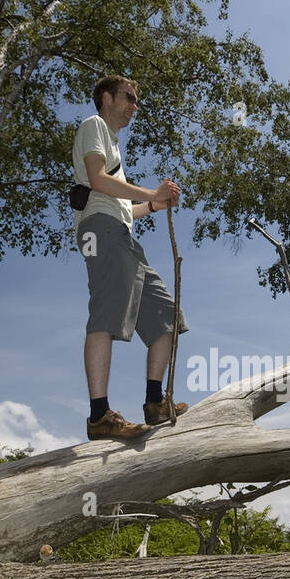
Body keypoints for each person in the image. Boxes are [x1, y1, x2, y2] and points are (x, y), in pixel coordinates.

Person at [73, 74, 189, 441]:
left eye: (136, 100)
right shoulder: (94, 125)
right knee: (106, 314)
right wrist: (150, 190)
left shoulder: (114, 147)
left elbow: (125, 207)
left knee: (167, 318)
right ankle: (99, 416)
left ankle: (155, 403)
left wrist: (153, 204)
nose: (134, 106)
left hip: (120, 231)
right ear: (106, 97)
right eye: (130, 98)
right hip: (100, 230)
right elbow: (98, 181)